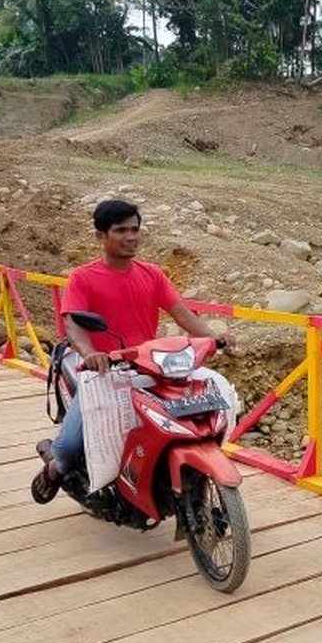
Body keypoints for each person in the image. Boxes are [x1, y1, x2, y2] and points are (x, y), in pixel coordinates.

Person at [32, 198, 223, 503]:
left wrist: (214, 338)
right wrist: (90, 354)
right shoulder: (83, 277)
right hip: (104, 373)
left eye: (134, 229)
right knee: (68, 447)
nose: (131, 236)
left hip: (149, 369)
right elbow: (73, 325)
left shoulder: (152, 274)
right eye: (121, 230)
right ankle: (55, 468)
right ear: (101, 235)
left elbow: (182, 314)